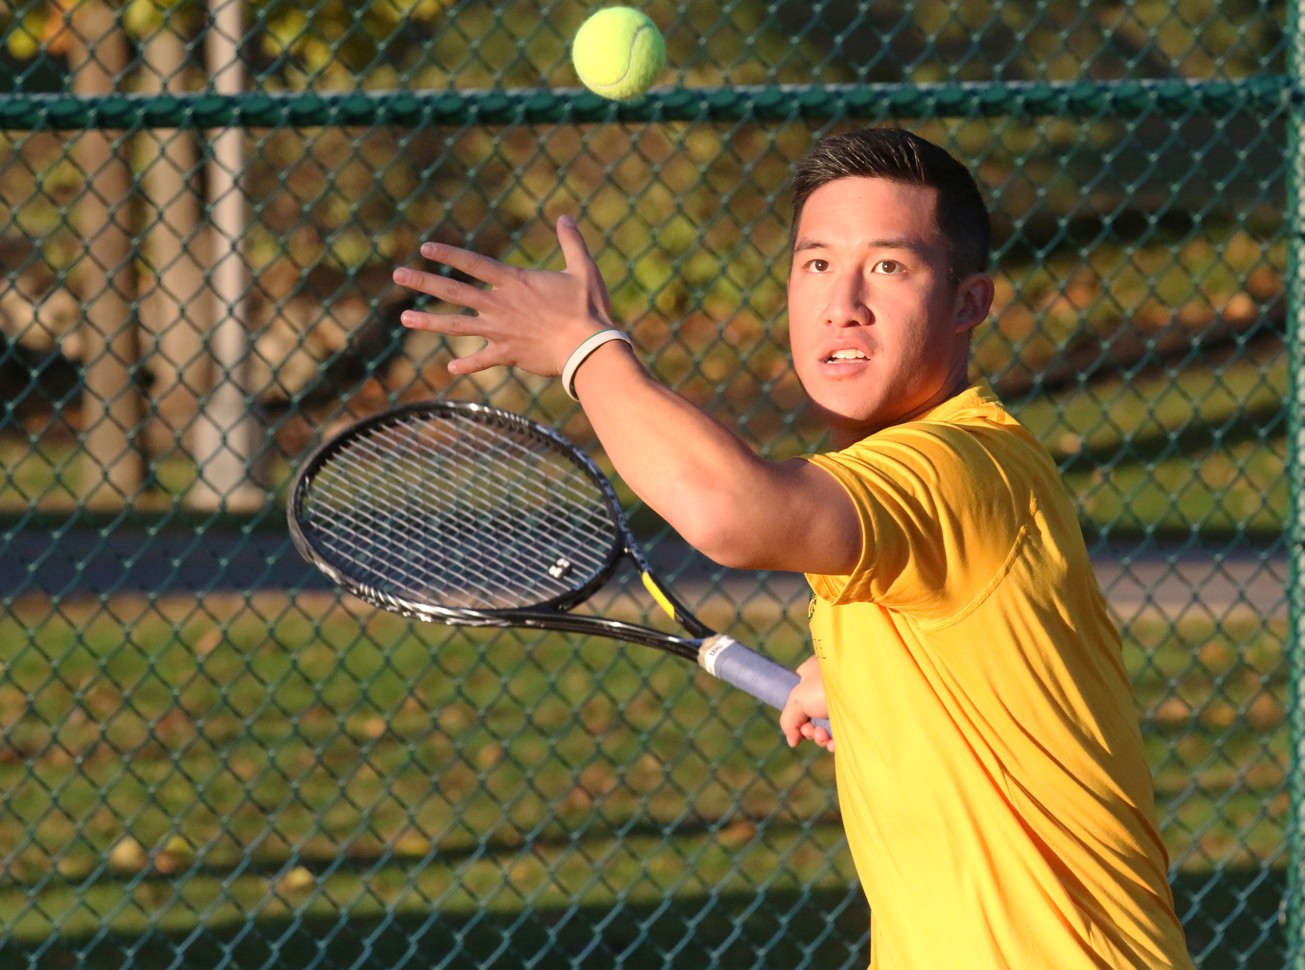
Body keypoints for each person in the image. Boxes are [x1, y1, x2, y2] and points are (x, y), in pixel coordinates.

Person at [392, 127, 1192, 969]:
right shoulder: (929, 492)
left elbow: (729, 512)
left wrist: (584, 351)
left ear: (968, 303)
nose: (843, 302)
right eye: (816, 263)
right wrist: (863, 680)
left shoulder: (959, 467)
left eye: (889, 266)